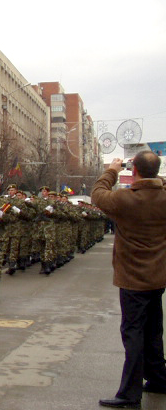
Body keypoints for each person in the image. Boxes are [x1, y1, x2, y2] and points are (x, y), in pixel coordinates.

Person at [93, 153, 166, 409]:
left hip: (133, 277)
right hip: (158, 275)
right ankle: (158, 378)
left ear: (132, 170)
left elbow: (98, 193)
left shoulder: (126, 199)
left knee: (133, 332)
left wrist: (112, 170)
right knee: (154, 330)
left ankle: (129, 393)